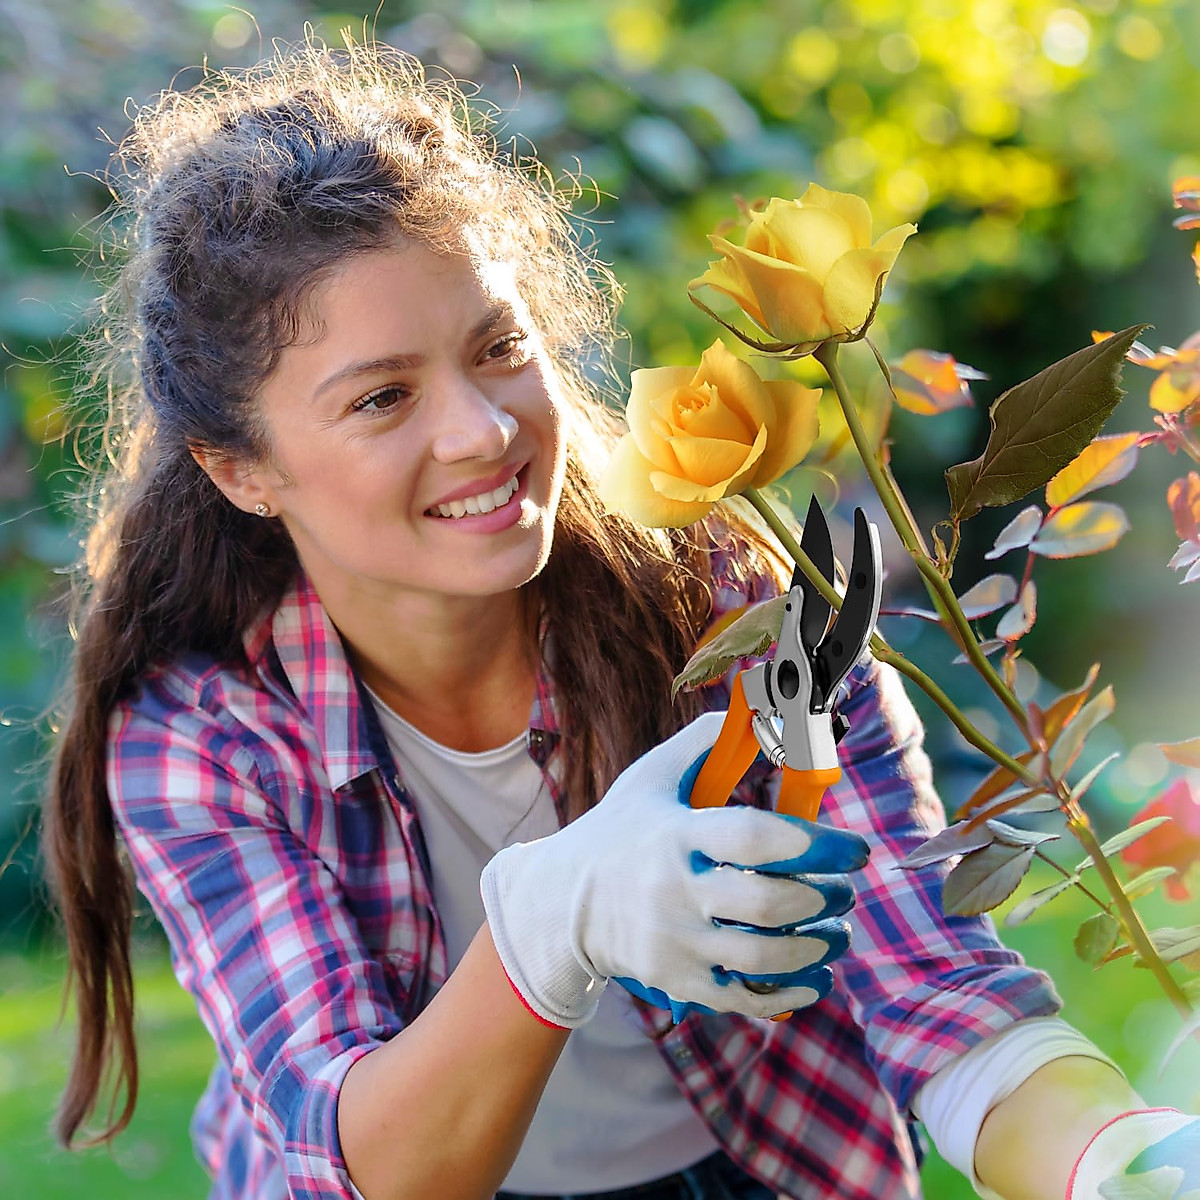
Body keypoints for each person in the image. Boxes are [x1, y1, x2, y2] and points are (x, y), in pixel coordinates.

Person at [40, 36, 1192, 1200]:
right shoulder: (204, 734)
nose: (483, 431)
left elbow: (933, 990)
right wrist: (550, 925)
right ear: (242, 468)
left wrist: (1117, 1160)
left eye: (499, 349)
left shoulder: (730, 605)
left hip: (755, 1166)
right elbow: (361, 1166)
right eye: (383, 396)